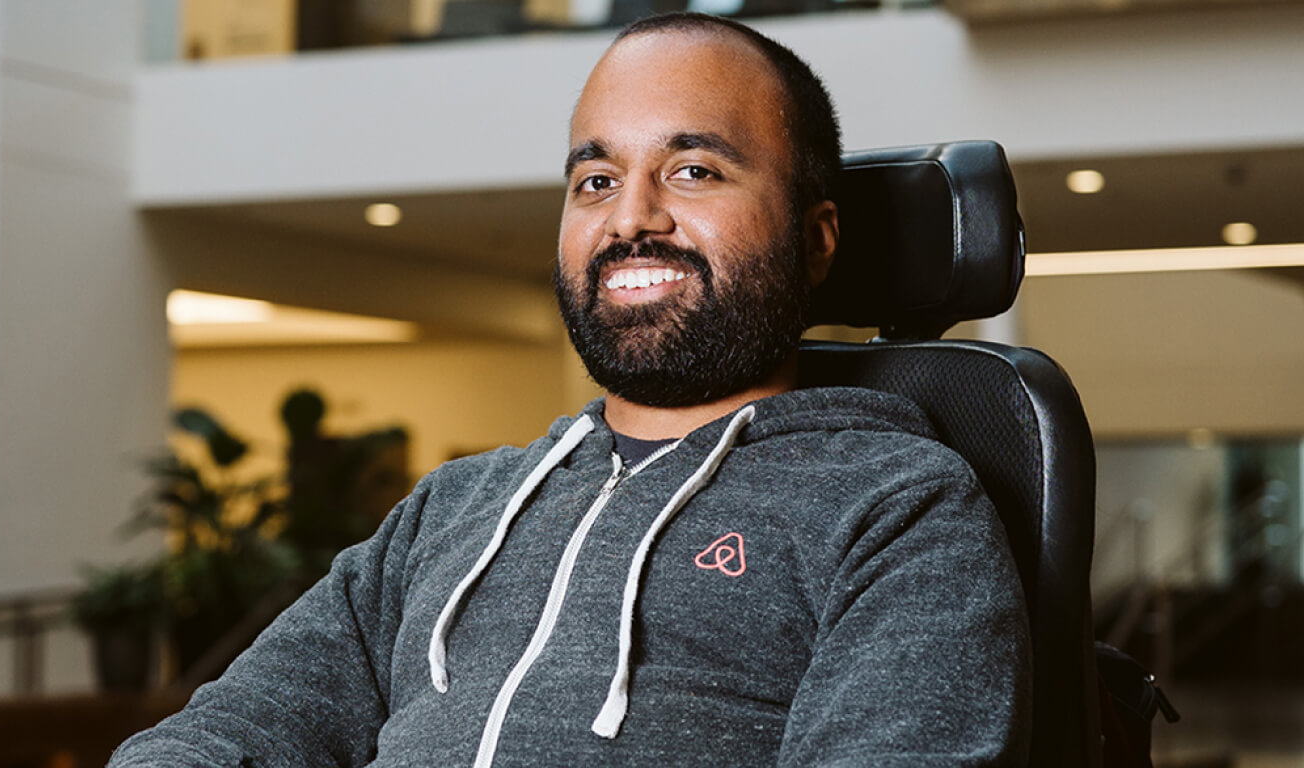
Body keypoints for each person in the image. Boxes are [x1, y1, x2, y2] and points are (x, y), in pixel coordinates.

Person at [110, 13, 1029, 767]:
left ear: (817, 238)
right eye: (596, 179)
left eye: (693, 170)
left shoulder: (898, 508)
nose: (631, 216)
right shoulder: (452, 510)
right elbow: (222, 736)